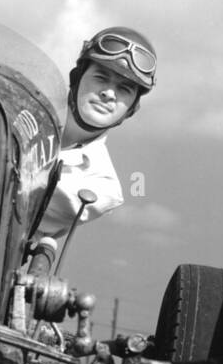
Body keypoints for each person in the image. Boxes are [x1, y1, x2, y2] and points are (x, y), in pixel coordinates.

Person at [37, 27, 156, 242]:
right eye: (101, 77)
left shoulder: (103, 186)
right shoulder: (23, 107)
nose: (109, 94)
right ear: (77, 77)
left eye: (125, 89)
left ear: (132, 108)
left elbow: (27, 202)